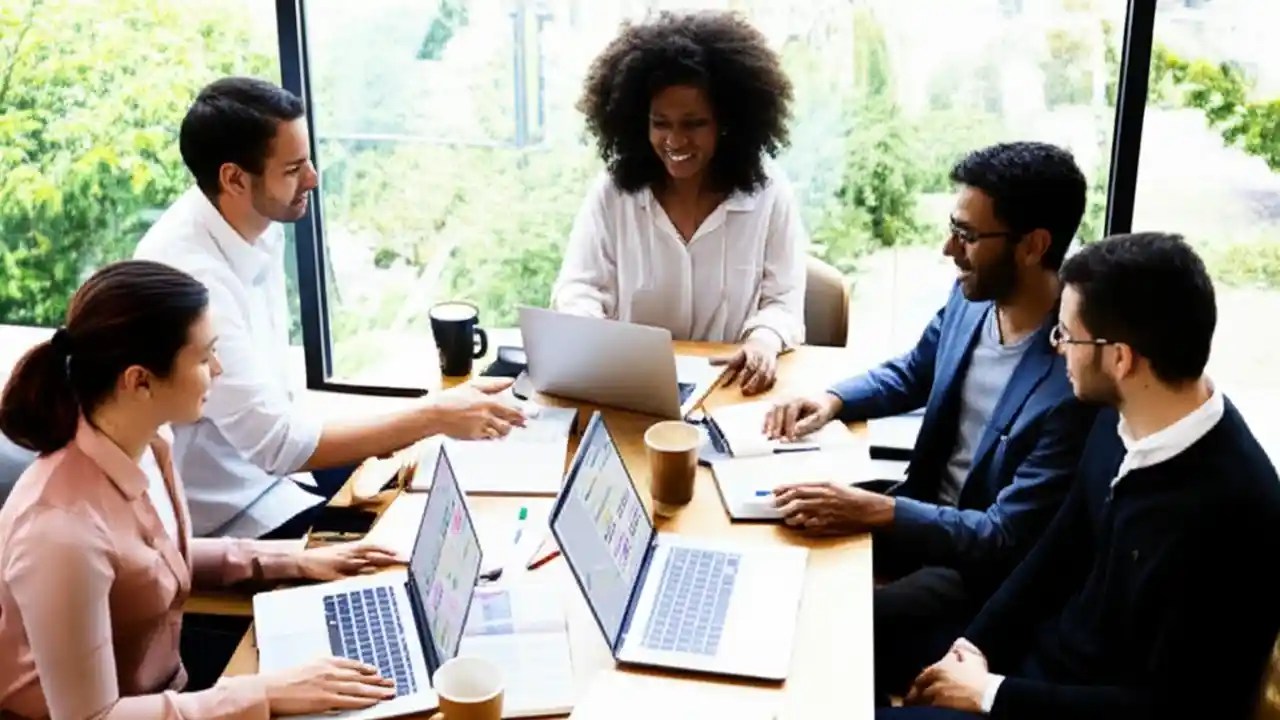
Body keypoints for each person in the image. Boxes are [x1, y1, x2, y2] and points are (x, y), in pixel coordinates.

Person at [886, 232, 1280, 719]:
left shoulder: (1234, 512)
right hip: (1034, 666)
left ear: (1121, 358)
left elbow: (1176, 708)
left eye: (1066, 335)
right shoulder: (1118, 419)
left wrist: (988, 693)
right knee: (843, 632)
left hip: (1069, 701)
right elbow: (1056, 551)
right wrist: (974, 646)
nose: (1057, 349)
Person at [763, 142, 1096, 698]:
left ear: (1033, 245)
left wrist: (881, 511)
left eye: (967, 236)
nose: (949, 249)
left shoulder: (1073, 380)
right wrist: (834, 400)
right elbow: (919, 369)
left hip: (975, 572)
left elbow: (1004, 536)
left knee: (819, 625)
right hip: (919, 512)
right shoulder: (972, 298)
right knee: (779, 538)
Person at [0, 260, 406, 716]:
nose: (218, 367)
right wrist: (265, 693)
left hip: (170, 690)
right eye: (203, 355)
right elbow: (92, 716)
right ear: (140, 381)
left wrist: (294, 560)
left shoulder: (151, 443)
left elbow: (150, 560)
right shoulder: (58, 534)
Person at [136, 77, 526, 540]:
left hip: (278, 479)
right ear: (234, 178)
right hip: (232, 516)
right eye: (293, 168)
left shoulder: (254, 218)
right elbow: (277, 445)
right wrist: (434, 413)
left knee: (453, 479)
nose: (313, 179)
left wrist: (435, 417)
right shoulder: (194, 279)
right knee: (415, 538)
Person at [551, 10, 807, 396]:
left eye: (693, 124)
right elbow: (578, 290)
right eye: (661, 123)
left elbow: (783, 301)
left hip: (731, 388)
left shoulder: (769, 193)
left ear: (726, 122)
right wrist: (595, 340)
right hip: (630, 389)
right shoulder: (613, 193)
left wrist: (764, 341)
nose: (674, 140)